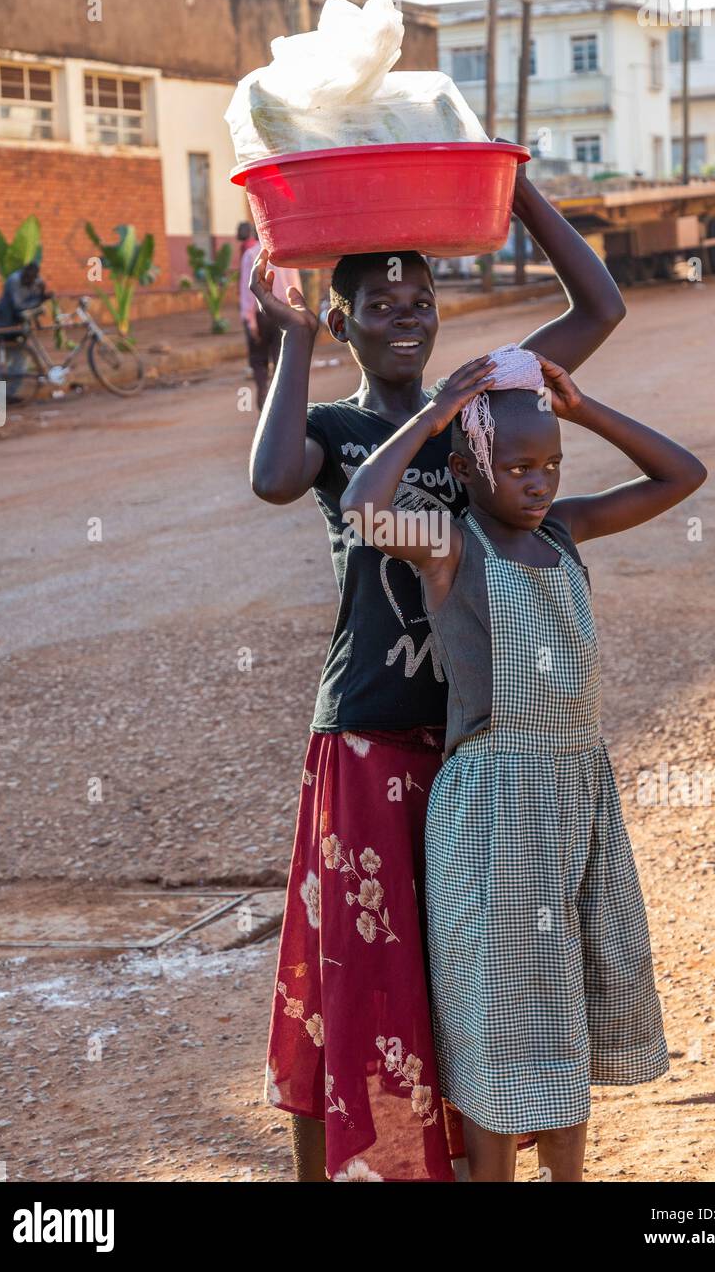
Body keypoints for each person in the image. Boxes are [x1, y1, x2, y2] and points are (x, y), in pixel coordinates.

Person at [249, 163, 628, 1183]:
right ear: (346, 322)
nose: (406, 317)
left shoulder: (486, 403)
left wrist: (519, 190)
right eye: (379, 303)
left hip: (473, 755)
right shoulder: (340, 431)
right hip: (369, 731)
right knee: (361, 975)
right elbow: (272, 479)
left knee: (465, 971)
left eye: (421, 300)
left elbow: (599, 305)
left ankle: (460, 1157)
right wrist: (287, 340)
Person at [338, 346, 707, 1182]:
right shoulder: (450, 550)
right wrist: (434, 417)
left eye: (551, 465)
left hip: (578, 792)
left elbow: (683, 475)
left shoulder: (566, 531)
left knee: (571, 993)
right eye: (517, 468)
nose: (538, 483)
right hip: (497, 804)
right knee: (501, 1013)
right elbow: (364, 509)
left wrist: (585, 409)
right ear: (467, 469)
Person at [237, 221, 302, 409]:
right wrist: (297, 316)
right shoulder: (285, 256)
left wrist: (249, 321)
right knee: (280, 361)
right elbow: (294, 288)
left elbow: (247, 290)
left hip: (260, 316)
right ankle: (277, 405)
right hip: (282, 314)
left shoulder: (250, 255)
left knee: (259, 362)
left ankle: (263, 396)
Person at [0, 261, 52, 401]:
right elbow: (19, 306)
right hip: (5, 323)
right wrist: (39, 300)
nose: (29, 281)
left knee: (17, 360)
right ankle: (3, 396)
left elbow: (34, 301)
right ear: (23, 273)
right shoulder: (14, 280)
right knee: (17, 360)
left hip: (18, 324)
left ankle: (3, 394)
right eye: (27, 278)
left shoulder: (37, 281)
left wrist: (42, 295)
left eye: (32, 278)